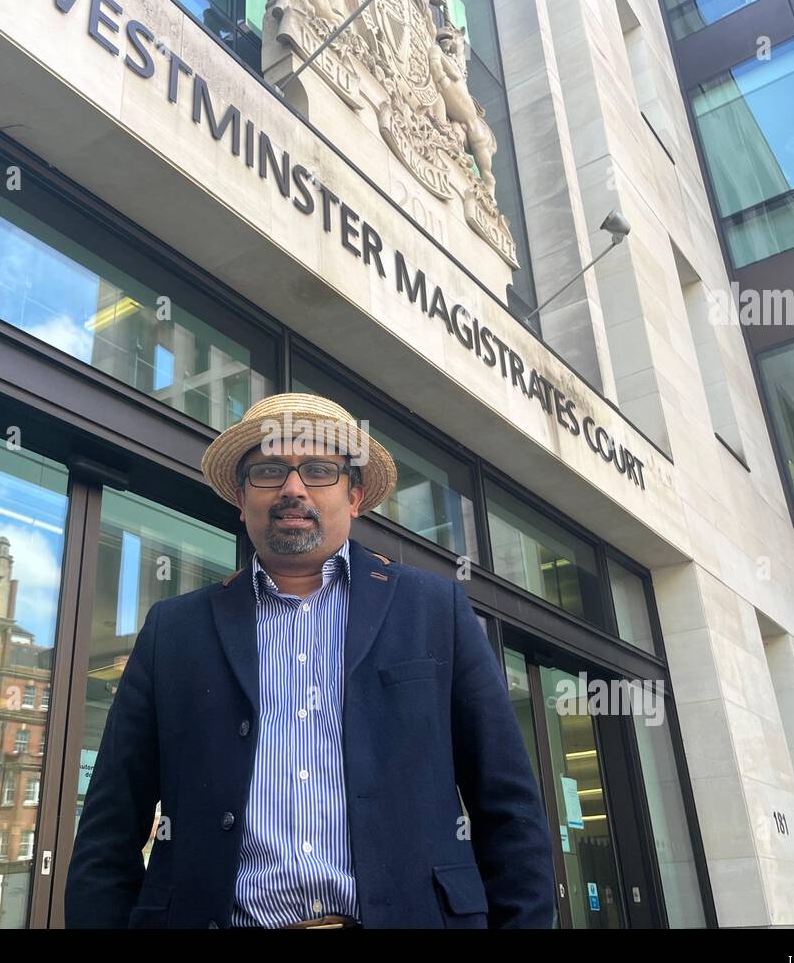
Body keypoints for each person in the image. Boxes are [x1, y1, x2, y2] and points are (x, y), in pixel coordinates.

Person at [65, 392, 555, 928]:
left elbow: (509, 811)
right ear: (241, 496)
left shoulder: (436, 611)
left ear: (355, 495)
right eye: (269, 470)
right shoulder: (174, 630)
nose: (292, 488)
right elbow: (109, 830)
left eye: (319, 469)